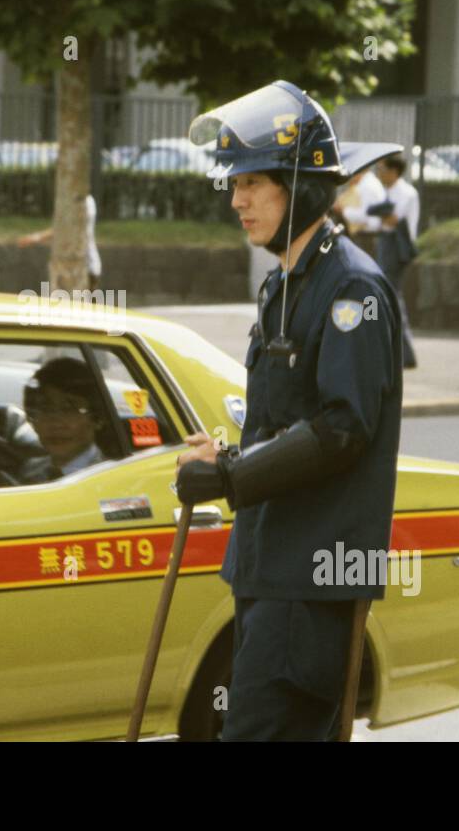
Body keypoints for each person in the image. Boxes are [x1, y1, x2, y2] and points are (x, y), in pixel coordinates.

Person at [175, 79, 404, 741]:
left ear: (299, 186)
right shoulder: (286, 281)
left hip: (310, 582)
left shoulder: (350, 287)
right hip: (273, 568)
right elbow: (283, 421)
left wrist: (230, 476)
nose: (236, 199)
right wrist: (226, 458)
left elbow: (342, 429)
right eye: (233, 183)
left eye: (253, 182)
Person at [367, 155, 419, 369]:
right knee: (386, 296)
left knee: (392, 297)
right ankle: (394, 350)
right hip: (386, 243)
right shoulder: (387, 192)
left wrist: (378, 213)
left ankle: (405, 353)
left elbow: (391, 218)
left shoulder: (406, 192)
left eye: (382, 169)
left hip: (397, 247)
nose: (379, 174)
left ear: (394, 171)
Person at [19, 357, 107, 482]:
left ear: (97, 418)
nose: (56, 423)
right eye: (46, 409)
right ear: (31, 419)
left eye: (69, 409)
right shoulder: (30, 471)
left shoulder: (110, 476)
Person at [17, 194, 102, 291]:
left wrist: (35, 238)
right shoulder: (74, 199)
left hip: (86, 268)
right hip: (74, 269)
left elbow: (68, 229)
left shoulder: (85, 202)